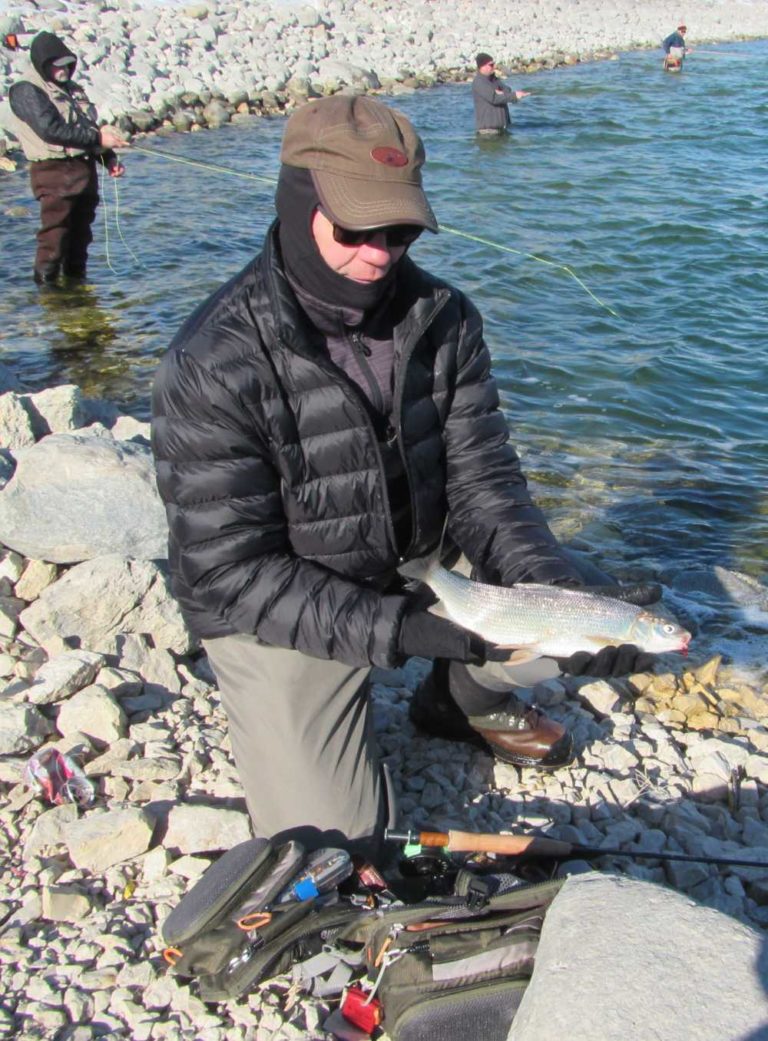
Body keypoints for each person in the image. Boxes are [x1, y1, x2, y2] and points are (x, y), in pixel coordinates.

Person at [151, 96, 659, 861]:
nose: (381, 252)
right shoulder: (213, 361)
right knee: (340, 852)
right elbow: (231, 572)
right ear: (299, 204)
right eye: (356, 229)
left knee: (579, 612)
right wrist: (401, 630)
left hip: (419, 561)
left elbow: (487, 484)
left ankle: (456, 704)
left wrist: (556, 591)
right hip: (283, 605)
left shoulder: (445, 318)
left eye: (401, 229)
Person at [8, 31, 128, 285]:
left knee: (80, 238)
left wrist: (108, 159)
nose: (64, 71)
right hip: (53, 174)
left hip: (83, 173)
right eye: (57, 66)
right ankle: (48, 296)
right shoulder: (25, 91)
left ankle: (77, 291)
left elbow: (87, 127)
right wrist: (98, 140)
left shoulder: (72, 90)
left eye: (68, 65)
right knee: (54, 238)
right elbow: (50, 130)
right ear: (43, 64)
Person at [472, 52, 530, 135]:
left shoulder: (494, 79)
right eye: (491, 65)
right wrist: (514, 96)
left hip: (502, 128)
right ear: (482, 66)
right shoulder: (479, 82)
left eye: (493, 64)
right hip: (488, 131)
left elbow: (507, 90)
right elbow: (494, 99)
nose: (494, 67)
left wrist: (500, 92)